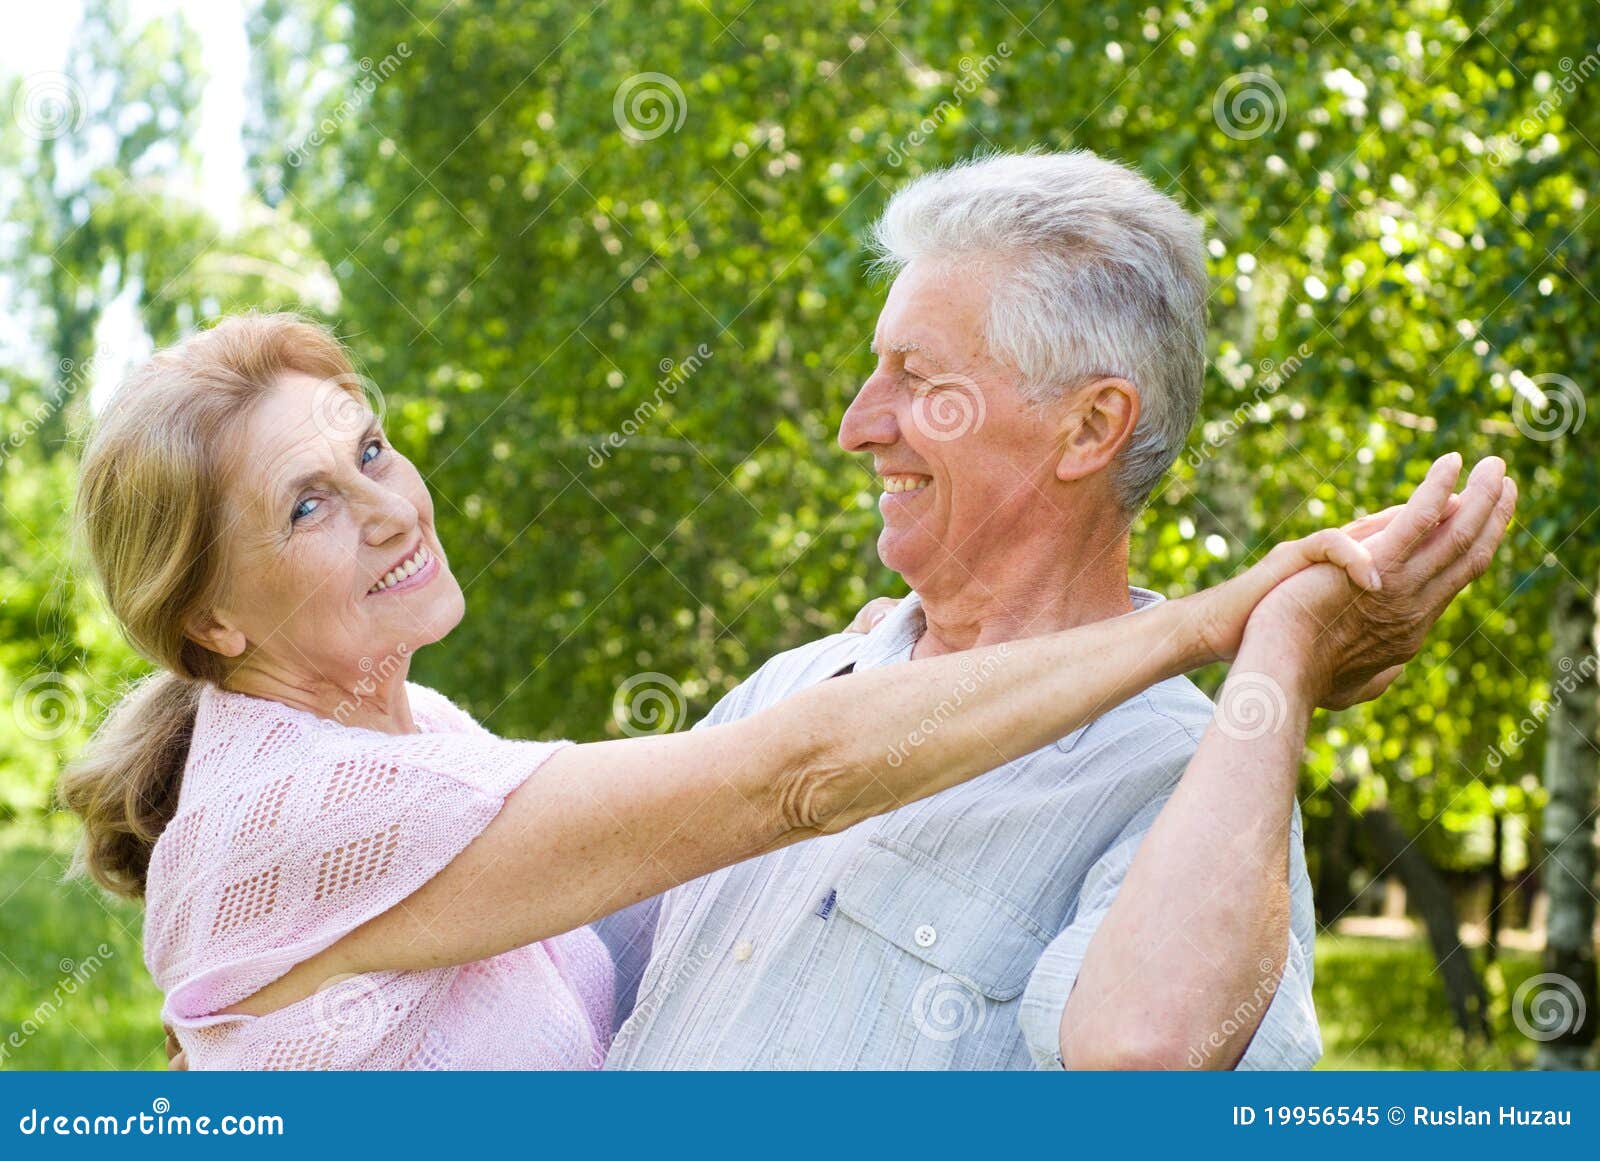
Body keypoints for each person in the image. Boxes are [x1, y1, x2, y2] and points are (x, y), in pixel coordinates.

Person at [60, 311, 1459, 1070]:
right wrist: (1224, 624)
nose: (385, 508)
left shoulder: (425, 733)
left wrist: (884, 673)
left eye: (369, 450)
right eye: (307, 504)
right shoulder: (294, 813)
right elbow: (789, 781)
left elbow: (679, 897)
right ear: (210, 618)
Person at [592, 151, 1517, 1070]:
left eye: (917, 376)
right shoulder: (789, 689)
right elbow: (555, 969)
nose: (857, 426)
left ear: (1089, 426)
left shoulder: (1185, 779)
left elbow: (1145, 1063)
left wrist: (1288, 646)